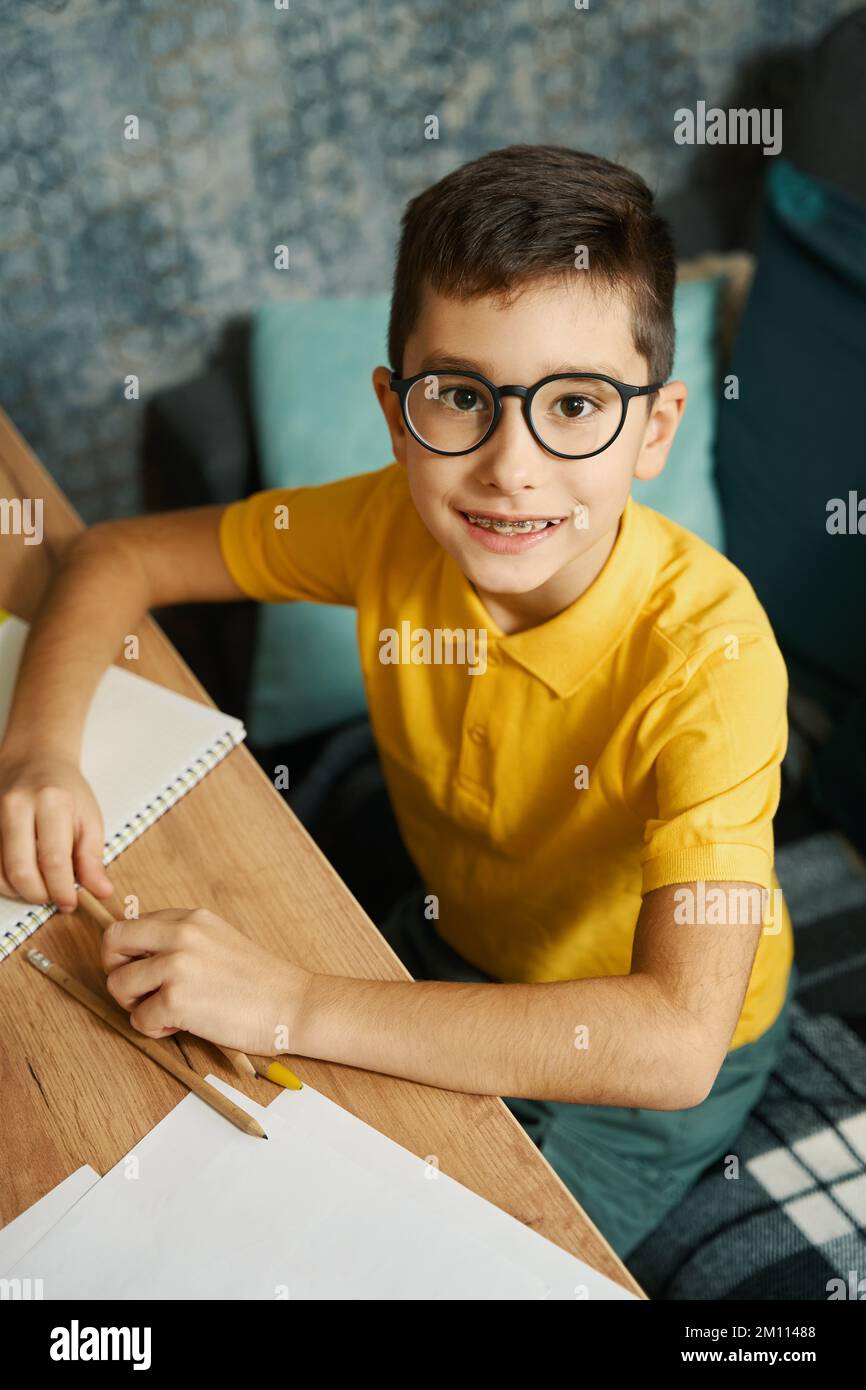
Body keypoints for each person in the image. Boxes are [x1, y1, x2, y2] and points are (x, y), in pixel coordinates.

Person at [0, 145, 795, 1260]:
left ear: (654, 428)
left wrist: (285, 1003)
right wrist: (37, 751)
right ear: (394, 408)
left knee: (446, 1261)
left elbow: (671, 1044)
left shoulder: (709, 658)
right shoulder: (385, 521)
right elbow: (119, 556)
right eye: (461, 396)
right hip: (461, 946)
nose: (510, 467)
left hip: (642, 1044)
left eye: (575, 404)